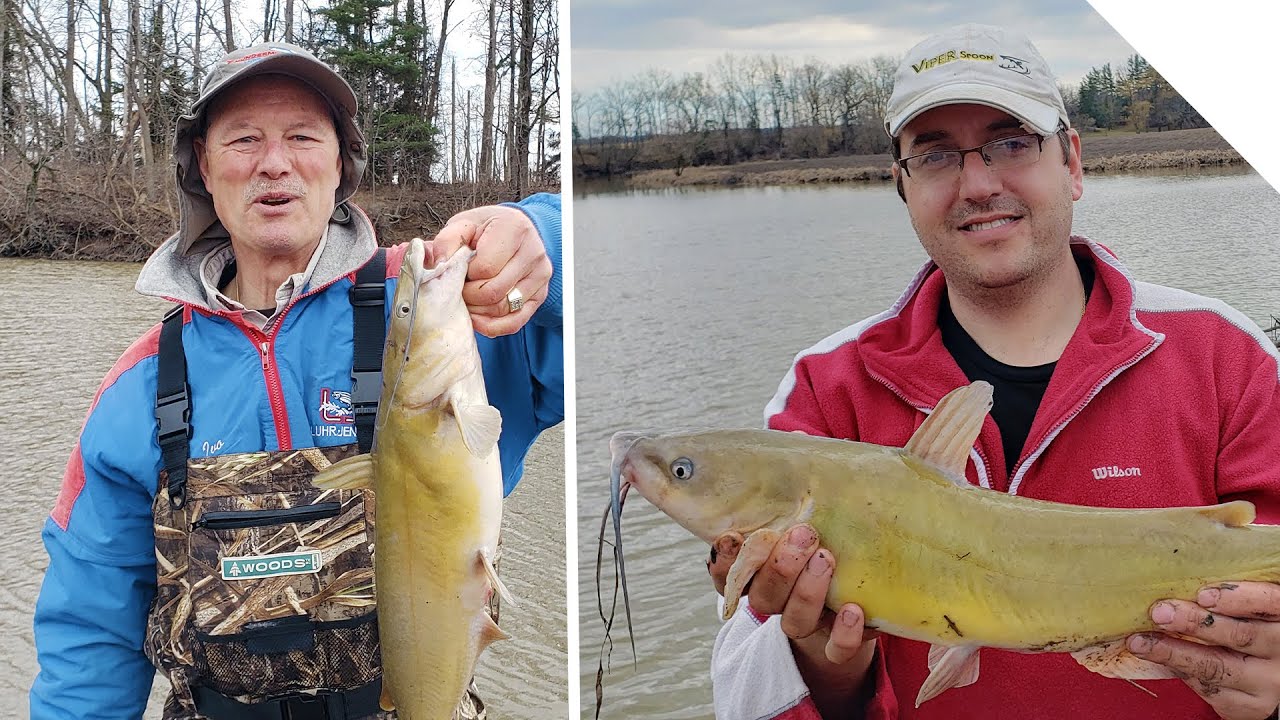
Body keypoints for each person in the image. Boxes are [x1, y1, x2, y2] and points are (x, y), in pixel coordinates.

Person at [707, 24, 1280, 720]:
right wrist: (830, 673)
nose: (978, 184)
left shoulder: (1226, 356)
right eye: (936, 155)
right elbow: (742, 692)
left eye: (1012, 142)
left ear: (1071, 160)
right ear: (902, 186)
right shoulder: (824, 393)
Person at [29, 42, 563, 719]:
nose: (274, 162)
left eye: (303, 136)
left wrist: (538, 236)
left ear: (340, 161)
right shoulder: (138, 387)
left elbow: (588, 315)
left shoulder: (441, 306)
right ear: (204, 166)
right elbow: (89, 637)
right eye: (244, 139)